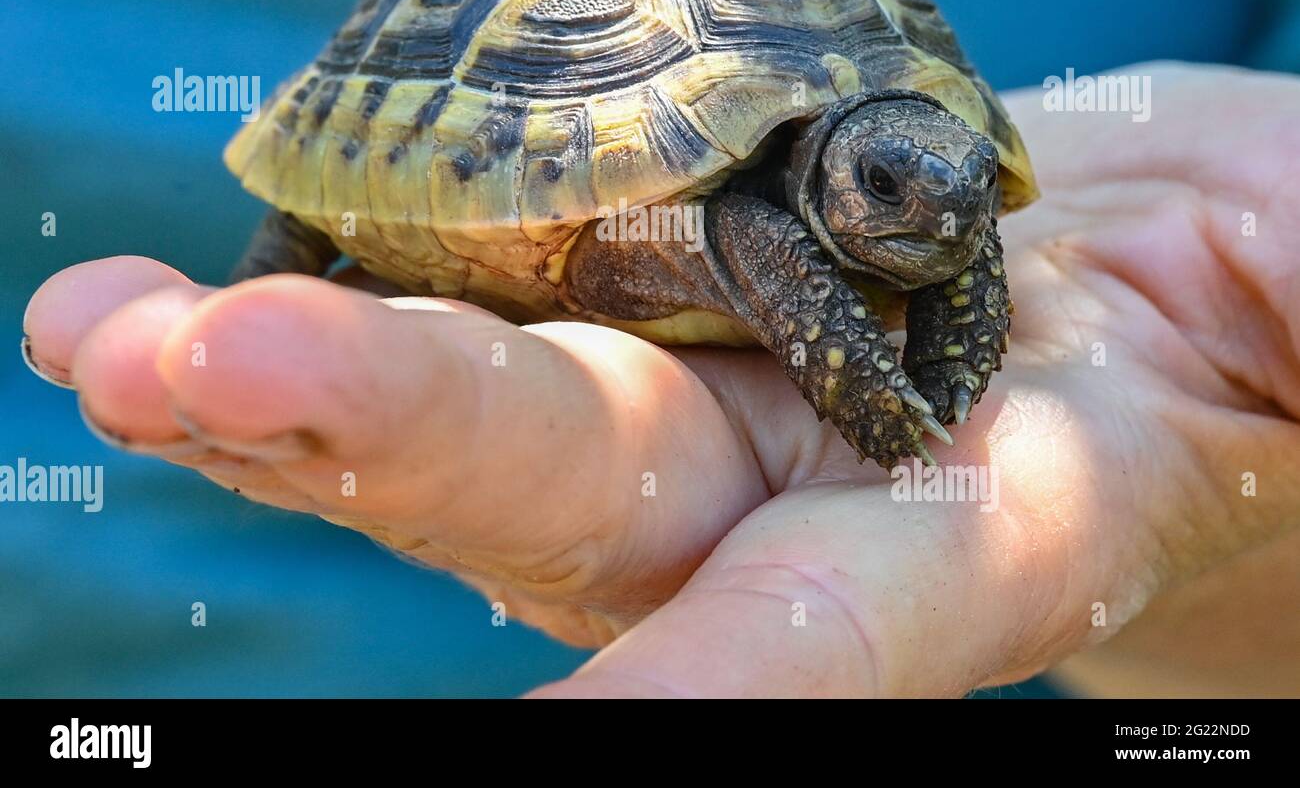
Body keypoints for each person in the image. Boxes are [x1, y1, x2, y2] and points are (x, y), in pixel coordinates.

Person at [22, 63, 1300, 698]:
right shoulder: (758, 214)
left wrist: (1221, 504)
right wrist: (866, 388)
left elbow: (954, 240)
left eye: (962, 193)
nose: (938, 222)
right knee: (276, 295)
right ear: (821, 170)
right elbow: (752, 238)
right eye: (889, 195)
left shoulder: (928, 202)